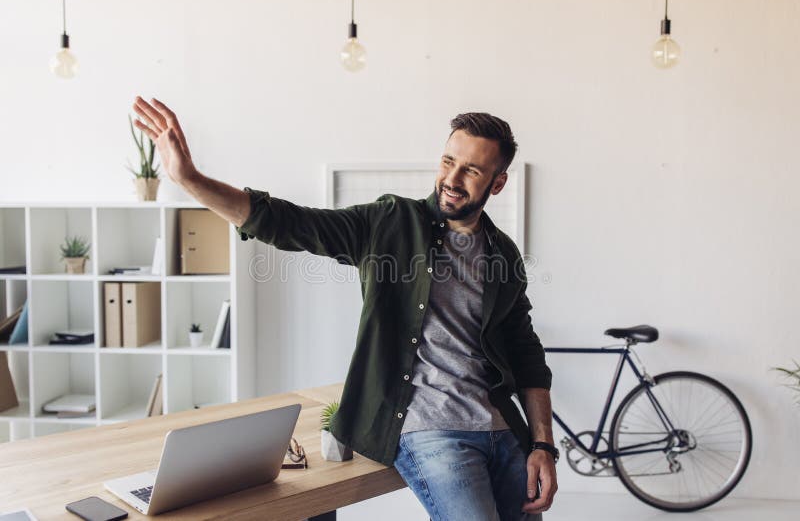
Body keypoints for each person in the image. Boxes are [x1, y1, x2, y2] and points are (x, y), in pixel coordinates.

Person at [132, 96, 558, 520]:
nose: (452, 177)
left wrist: (542, 445)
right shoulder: (391, 223)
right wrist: (190, 179)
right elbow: (289, 223)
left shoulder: (503, 253)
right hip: (431, 431)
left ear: (497, 183)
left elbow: (525, 351)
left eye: (472, 170)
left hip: (504, 430)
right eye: (448, 161)